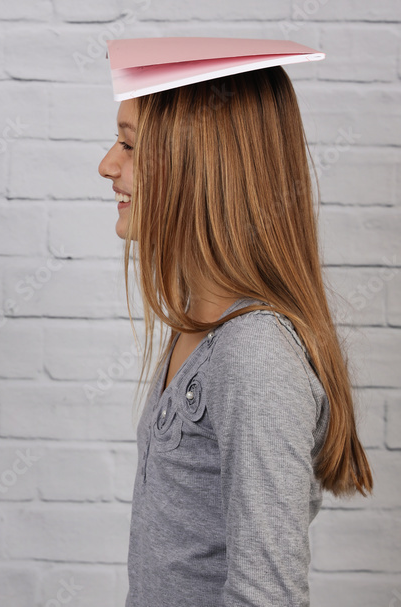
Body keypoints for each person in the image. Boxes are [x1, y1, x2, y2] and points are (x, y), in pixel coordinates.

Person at [97, 52, 374, 605]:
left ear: (198, 164)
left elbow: (266, 595)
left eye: (128, 145)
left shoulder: (254, 354)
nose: (108, 165)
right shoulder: (196, 325)